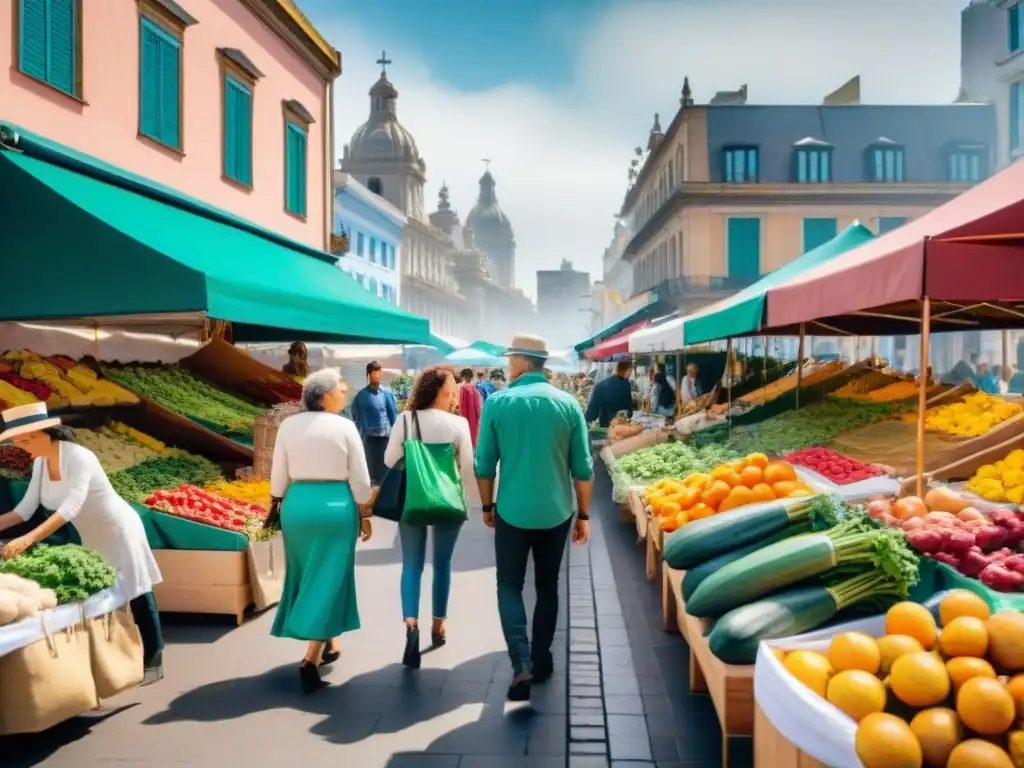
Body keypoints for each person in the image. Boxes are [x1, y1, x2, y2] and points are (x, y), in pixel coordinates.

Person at [0, 403, 165, 682]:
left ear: (44, 433)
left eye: (26, 440)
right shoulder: (40, 463)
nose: (23, 447)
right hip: (88, 535)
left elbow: (70, 508)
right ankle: (113, 662)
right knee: (100, 595)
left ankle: (154, 656)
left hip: (117, 529)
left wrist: (28, 539)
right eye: (18, 442)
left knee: (137, 588)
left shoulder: (80, 458)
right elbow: (24, 510)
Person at [475, 334, 593, 701]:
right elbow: (584, 469)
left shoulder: (498, 403)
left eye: (511, 359)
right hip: (556, 511)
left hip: (511, 509)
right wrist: (584, 515)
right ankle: (542, 660)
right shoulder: (568, 405)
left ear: (524, 362)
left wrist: (486, 506)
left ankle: (521, 662)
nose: (508, 365)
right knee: (547, 585)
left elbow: (483, 464)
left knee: (508, 584)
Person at [269, 368, 373, 694]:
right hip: (334, 507)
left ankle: (330, 641)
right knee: (329, 576)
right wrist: (363, 510)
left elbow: (277, 475)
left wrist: (279, 501)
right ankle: (310, 658)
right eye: (340, 391)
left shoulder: (288, 426)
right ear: (325, 396)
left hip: (297, 505)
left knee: (309, 573)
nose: (344, 395)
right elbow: (360, 478)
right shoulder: (344, 427)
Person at [384, 365, 475, 669]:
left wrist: (414, 454)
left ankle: (411, 624)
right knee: (443, 564)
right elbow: (468, 465)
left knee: (411, 564)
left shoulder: (406, 419)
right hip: (448, 499)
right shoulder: (458, 424)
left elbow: (389, 459)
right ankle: (439, 625)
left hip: (413, 498)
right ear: (445, 391)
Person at [351, 361, 398, 484]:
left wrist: (396, 435)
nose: (377, 375)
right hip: (368, 437)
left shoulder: (387, 393)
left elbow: (393, 415)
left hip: (385, 437)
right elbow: (356, 416)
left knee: (385, 467)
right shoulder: (361, 396)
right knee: (371, 469)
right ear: (368, 375)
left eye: (379, 372)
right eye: (374, 372)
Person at [585, 359, 633, 427]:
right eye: (630, 372)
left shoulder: (600, 386)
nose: (630, 375)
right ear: (625, 370)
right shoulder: (626, 385)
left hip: (606, 427)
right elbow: (630, 411)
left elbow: (592, 414)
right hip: (623, 427)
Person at [457, 368, 483, 446]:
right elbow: (478, 406)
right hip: (473, 419)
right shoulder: (475, 389)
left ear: (463, 377)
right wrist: (478, 417)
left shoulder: (460, 388)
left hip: (462, 418)